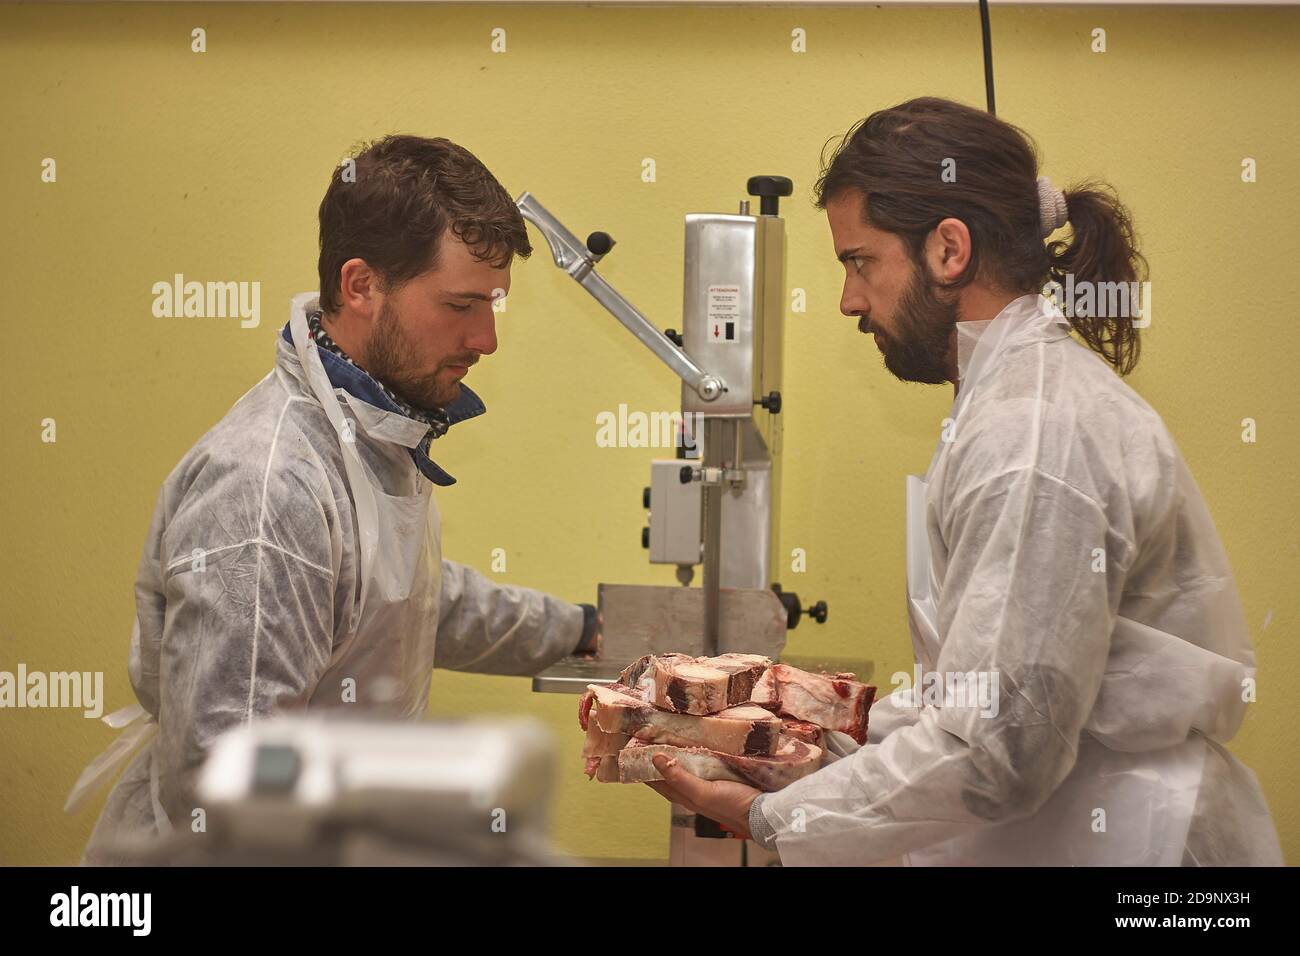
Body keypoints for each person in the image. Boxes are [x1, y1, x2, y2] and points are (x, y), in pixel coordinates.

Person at [646, 97, 1283, 866]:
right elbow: (983, 692)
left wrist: (773, 816)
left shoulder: (1031, 433)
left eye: (859, 261)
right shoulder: (1004, 403)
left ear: (950, 250)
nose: (849, 299)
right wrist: (820, 728)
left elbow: (999, 751)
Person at [70, 135, 599, 864]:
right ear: (360, 286)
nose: (486, 338)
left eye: (492, 305)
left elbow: (407, 602)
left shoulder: (366, 435)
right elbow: (229, 785)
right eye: (461, 305)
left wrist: (584, 630)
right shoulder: (269, 489)